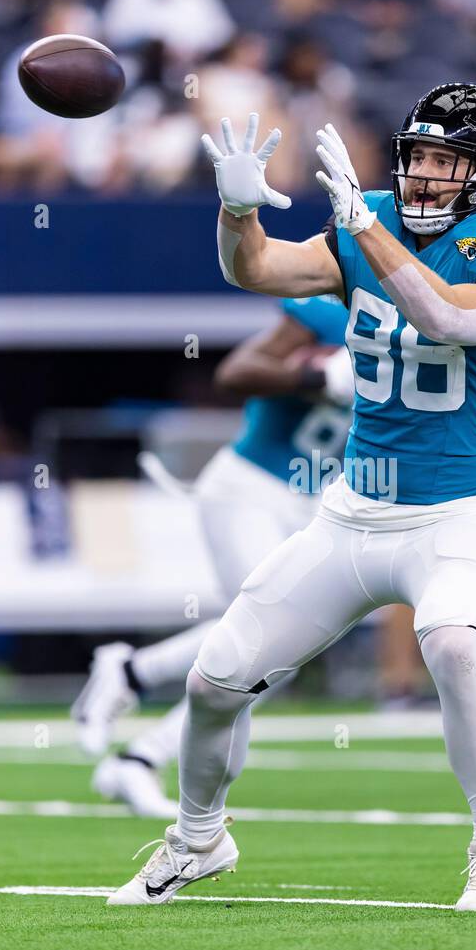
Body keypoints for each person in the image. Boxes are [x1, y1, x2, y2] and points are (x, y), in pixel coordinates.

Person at [108, 83, 476, 912]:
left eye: (445, 162)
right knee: (217, 682)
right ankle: (199, 838)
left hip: (454, 515)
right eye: (417, 157)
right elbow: (257, 270)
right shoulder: (367, 223)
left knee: (456, 647)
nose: (423, 176)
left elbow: (453, 320)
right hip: (352, 514)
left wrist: (365, 228)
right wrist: (234, 211)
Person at [72, 299, 353, 816]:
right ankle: (137, 745)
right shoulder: (331, 310)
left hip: (316, 499)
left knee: (274, 644)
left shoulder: (422, 325)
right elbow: (236, 372)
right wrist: (314, 377)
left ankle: (132, 695)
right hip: (251, 488)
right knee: (270, 638)